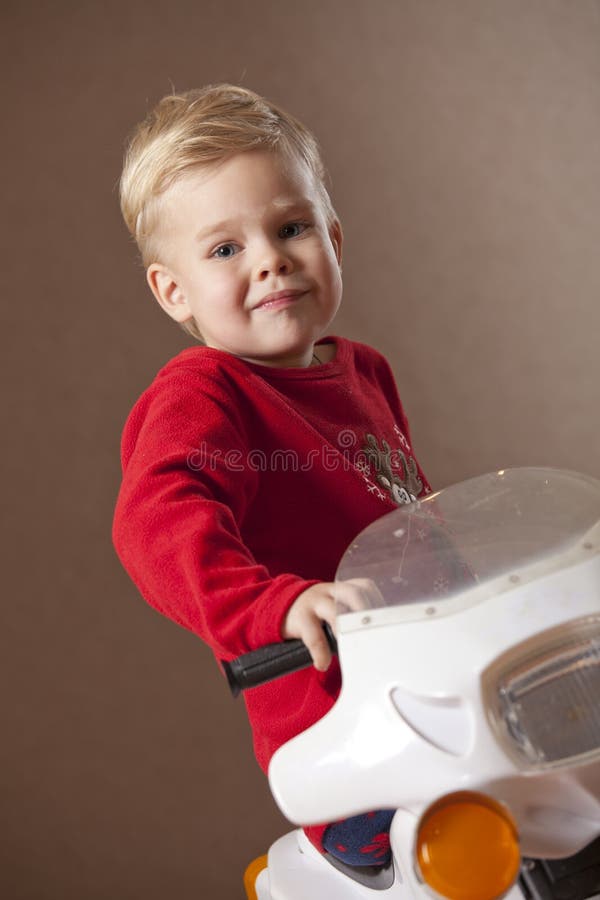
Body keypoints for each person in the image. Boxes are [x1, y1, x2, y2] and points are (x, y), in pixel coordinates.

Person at [113, 84, 431, 868]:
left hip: (441, 692)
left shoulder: (365, 373)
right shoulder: (205, 393)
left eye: (291, 227)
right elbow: (157, 522)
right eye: (225, 249)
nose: (270, 260)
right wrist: (276, 606)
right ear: (173, 290)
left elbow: (410, 522)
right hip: (351, 745)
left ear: (333, 237)